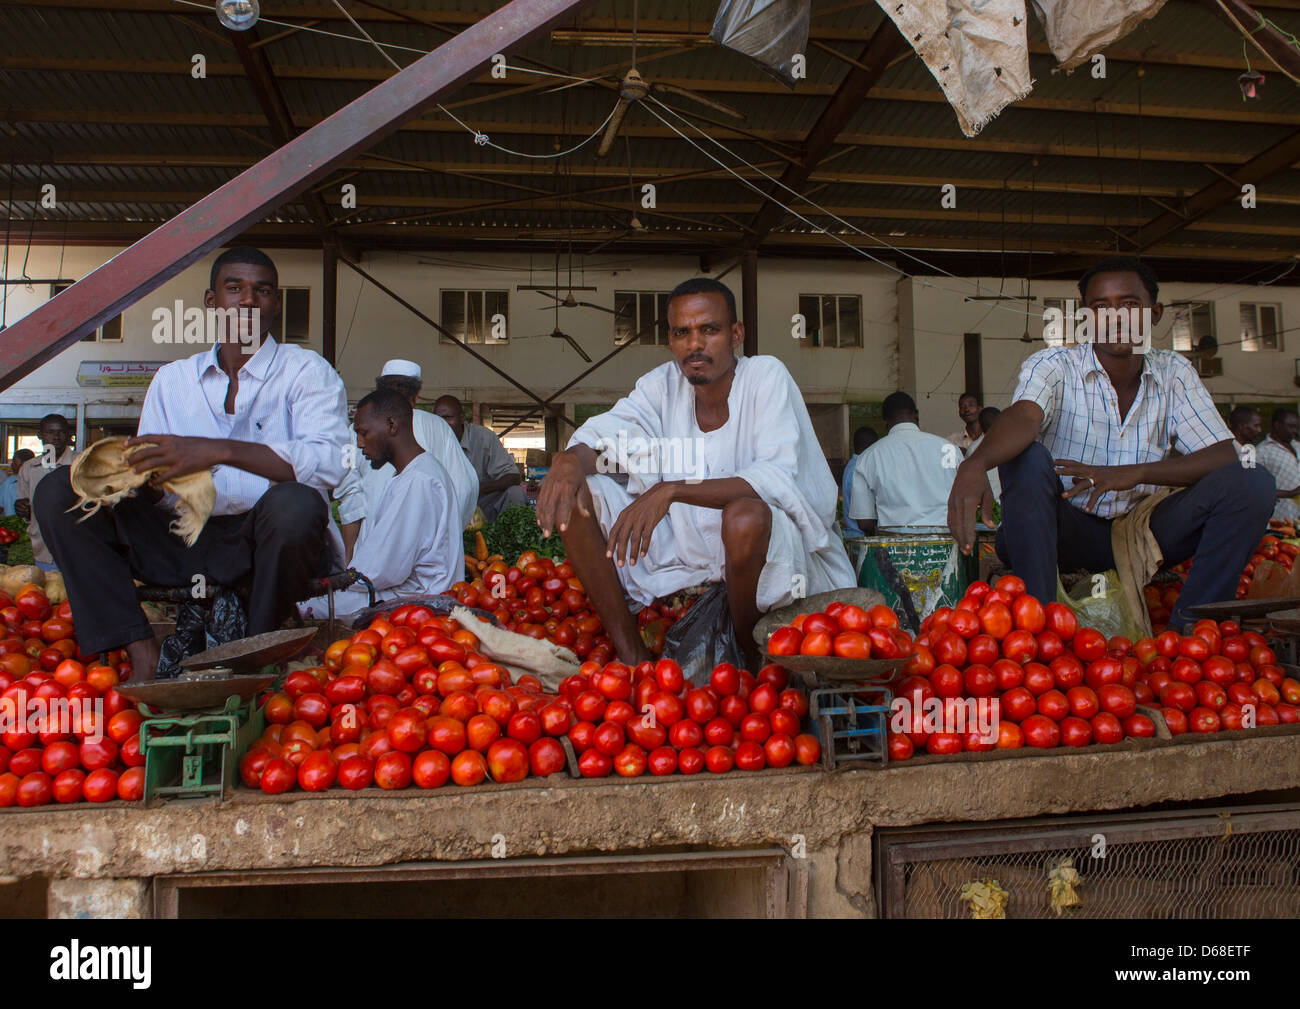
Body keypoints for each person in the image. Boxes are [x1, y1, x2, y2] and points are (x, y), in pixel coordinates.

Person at [33, 246, 353, 682]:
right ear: (211, 302)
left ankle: (254, 652)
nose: (247, 300)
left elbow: (330, 462)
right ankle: (140, 645)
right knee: (57, 489)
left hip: (269, 548)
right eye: (234, 288)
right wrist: (132, 474)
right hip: (182, 541)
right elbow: (152, 478)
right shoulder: (173, 380)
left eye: (262, 291)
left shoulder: (307, 372)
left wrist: (217, 450)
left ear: (276, 304)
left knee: (296, 503)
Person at [536, 277, 855, 669]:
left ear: (736, 334)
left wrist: (672, 489)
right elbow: (612, 437)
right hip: (688, 550)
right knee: (580, 494)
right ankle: (633, 657)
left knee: (744, 515)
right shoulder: (662, 386)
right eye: (682, 332)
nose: (695, 344)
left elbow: (776, 478)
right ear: (671, 341)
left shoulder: (765, 377)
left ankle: (748, 659)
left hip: (775, 551)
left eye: (710, 330)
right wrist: (570, 461)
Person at [947, 256, 1274, 630]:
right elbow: (1024, 415)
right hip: (1061, 533)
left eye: (1130, 304)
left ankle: (1193, 632)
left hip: (1140, 533)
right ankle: (1039, 627)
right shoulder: (1054, 364)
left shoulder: (1174, 372)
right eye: (1100, 307)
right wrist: (975, 462)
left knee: (1253, 481)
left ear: (1155, 313)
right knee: (1027, 456)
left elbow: (1226, 453)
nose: (1115, 318)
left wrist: (1136, 472)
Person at [307, 388, 464, 616]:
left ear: (391, 425)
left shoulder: (418, 480)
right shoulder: (413, 473)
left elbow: (380, 571)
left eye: (363, 433)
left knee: (308, 606)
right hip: (406, 592)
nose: (359, 444)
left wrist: (327, 582)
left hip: (417, 601)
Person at [334, 360, 479, 562]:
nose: (361, 443)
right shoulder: (438, 426)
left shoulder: (357, 430)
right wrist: (446, 535)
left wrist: (351, 553)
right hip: (430, 558)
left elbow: (349, 493)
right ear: (417, 395)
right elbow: (465, 486)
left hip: (371, 551)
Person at [849, 392, 957, 534]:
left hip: (895, 549)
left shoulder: (868, 456)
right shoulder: (948, 448)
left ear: (885, 422)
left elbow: (865, 522)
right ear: (916, 415)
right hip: (948, 544)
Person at [432, 395, 527, 523]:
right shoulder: (428, 440)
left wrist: (474, 487)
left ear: (462, 418)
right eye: (437, 419)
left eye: (448, 417)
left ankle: (512, 539)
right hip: (444, 506)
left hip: (482, 504)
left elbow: (514, 477)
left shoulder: (483, 437)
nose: (442, 423)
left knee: (515, 493)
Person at [16, 415, 76, 569]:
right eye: (50, 432)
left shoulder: (81, 464)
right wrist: (23, 509)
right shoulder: (29, 468)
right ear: (40, 435)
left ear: (68, 435)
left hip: (76, 549)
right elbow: (26, 511)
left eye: (61, 432)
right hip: (43, 551)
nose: (56, 437)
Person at [1254, 407, 1300, 523]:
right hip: (1283, 518)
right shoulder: (1261, 451)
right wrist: (1291, 493)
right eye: (1291, 426)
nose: (1295, 431)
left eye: (1297, 427)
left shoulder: (1298, 446)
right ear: (1277, 425)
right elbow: (1255, 489)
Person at [841, 425, 878, 538]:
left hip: (855, 533)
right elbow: (865, 521)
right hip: (860, 535)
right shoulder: (858, 469)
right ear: (872, 447)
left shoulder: (852, 465)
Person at [966, 406, 1002, 503]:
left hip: (986, 505)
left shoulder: (973, 449)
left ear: (980, 426)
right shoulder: (1011, 444)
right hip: (1009, 502)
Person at [0, 449, 35, 516]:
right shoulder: (9, 480)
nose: (12, 464)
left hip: (14, 522)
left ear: (24, 464)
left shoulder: (9, 482)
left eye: (14, 461)